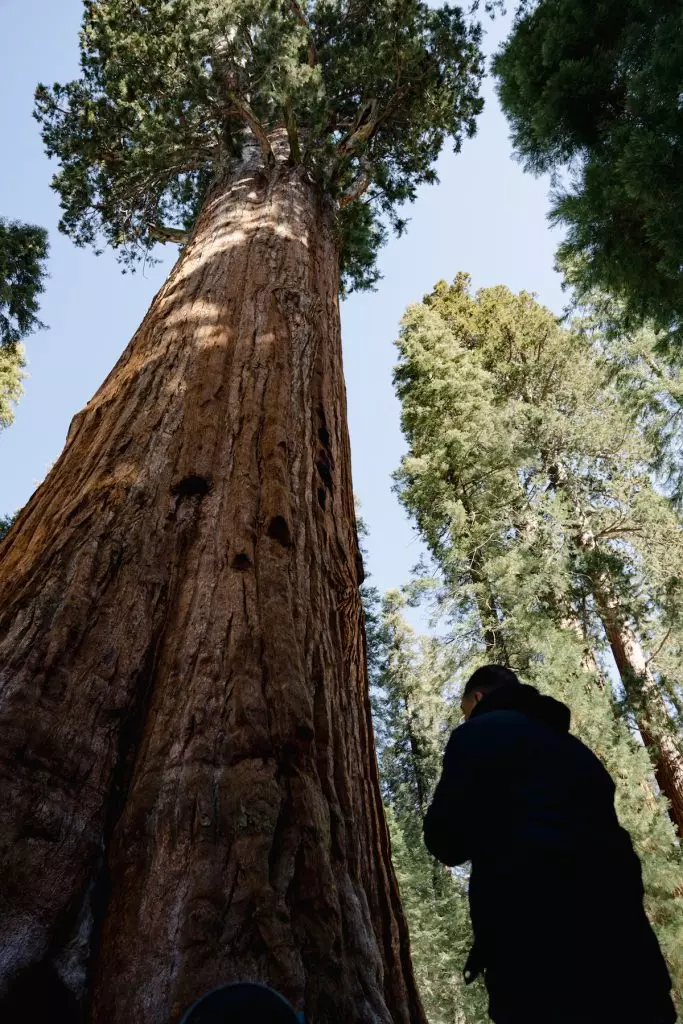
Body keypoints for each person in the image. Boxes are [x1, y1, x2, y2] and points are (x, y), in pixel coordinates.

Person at [423, 665, 677, 1024]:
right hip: (626, 946)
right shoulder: (575, 749)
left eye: (464, 709)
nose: (465, 717)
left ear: (477, 698)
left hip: (537, 949)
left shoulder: (478, 733)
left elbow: (446, 838)